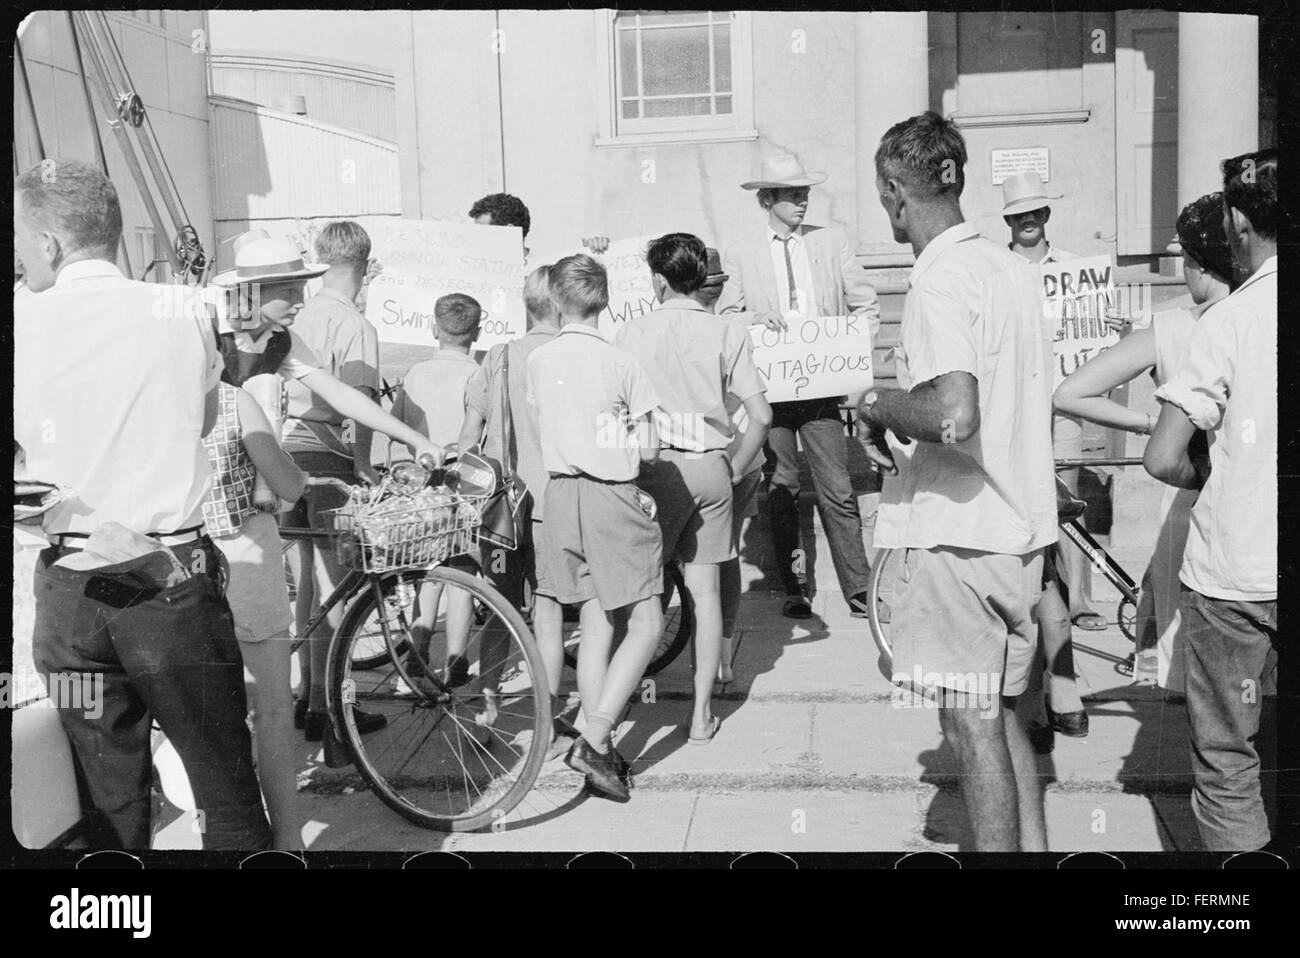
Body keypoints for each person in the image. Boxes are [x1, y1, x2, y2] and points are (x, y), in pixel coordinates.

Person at [14, 159, 272, 849]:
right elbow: (204, 414)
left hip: (69, 602)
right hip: (172, 584)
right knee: (225, 784)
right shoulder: (183, 309)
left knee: (104, 796)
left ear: (48, 244)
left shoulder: (20, 320)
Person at [859, 113, 1057, 851]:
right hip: (1014, 533)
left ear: (891, 192)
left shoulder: (939, 279)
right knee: (1002, 714)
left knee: (968, 722)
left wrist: (878, 403)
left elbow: (953, 412)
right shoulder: (1008, 267)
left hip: (959, 537)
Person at [209, 231, 445, 744]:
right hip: (207, 497)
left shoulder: (280, 340)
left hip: (257, 494)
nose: (299, 300)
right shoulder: (207, 332)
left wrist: (411, 436)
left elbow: (339, 393)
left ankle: (307, 709)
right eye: (290, 290)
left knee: (284, 602)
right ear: (255, 289)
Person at [1144, 149, 1278, 852]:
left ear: (1240, 226)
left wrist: (1223, 473)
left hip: (1237, 575)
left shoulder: (1228, 323)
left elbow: (1162, 455)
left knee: (1228, 758)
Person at [1056, 192, 1238, 693]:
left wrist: (1145, 422)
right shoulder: (1258, 318)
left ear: (1197, 267)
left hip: (1187, 494)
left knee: (1192, 661)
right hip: (1250, 499)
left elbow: (1071, 392)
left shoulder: (1175, 327)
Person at [614, 233, 771, 742]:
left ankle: (620, 697)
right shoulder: (727, 332)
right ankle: (701, 714)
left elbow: (616, 411)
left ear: (658, 280)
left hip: (655, 468)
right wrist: (734, 466)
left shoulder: (632, 332)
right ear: (700, 277)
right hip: (710, 465)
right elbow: (761, 415)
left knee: (639, 591)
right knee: (705, 594)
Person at [716, 154, 881, 620]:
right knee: (782, 485)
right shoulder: (742, 251)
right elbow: (726, 318)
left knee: (837, 485)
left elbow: (866, 307)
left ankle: (859, 587)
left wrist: (850, 356)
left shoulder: (832, 243)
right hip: (771, 390)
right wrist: (754, 318)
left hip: (822, 388)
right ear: (766, 200)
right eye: (792, 195)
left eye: (805, 193)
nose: (802, 201)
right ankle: (793, 586)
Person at [525, 253, 664, 802]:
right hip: (610, 494)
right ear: (604, 301)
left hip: (560, 494)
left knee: (595, 618)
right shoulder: (621, 361)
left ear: (556, 301)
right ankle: (597, 734)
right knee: (646, 622)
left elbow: (544, 426)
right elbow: (649, 446)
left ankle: (593, 736)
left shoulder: (540, 360)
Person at [458, 265, 571, 755]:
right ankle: (546, 721)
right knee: (547, 613)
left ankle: (486, 714)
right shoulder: (571, 356)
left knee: (502, 613)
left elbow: (468, 437)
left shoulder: (499, 356)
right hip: (554, 501)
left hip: (502, 508)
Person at [279, 221, 384, 738]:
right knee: (336, 588)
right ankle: (331, 705)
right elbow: (359, 403)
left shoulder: (298, 315)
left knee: (305, 582)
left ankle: (306, 692)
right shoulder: (355, 324)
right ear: (365, 268)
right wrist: (363, 460)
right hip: (325, 457)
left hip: (284, 452)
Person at [201, 381, 307, 849]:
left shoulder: (142, 390)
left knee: (197, 710)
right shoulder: (232, 398)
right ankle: (287, 838)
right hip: (245, 553)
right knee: (272, 708)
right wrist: (299, 480)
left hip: (176, 557)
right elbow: (286, 483)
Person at [1001, 171, 1104, 632]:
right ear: (1008, 220)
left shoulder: (1075, 269)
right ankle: (1022, 595)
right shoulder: (995, 271)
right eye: (1018, 213)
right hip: (1015, 400)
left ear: (1047, 214)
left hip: (1063, 399)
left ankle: (1078, 598)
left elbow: (1091, 335)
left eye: (1034, 211)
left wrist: (1107, 325)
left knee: (1070, 495)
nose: (1027, 219)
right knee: (1016, 496)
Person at [391, 293, 484, 688]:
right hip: (463, 484)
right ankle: (457, 657)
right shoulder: (479, 375)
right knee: (463, 573)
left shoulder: (415, 374)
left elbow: (397, 423)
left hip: (423, 484)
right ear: (477, 333)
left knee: (428, 571)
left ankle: (419, 641)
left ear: (433, 327)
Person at [699, 248, 761, 684]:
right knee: (726, 554)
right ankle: (722, 655)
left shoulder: (668, 328)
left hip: (696, 458)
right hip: (742, 456)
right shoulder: (739, 326)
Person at [470, 192, 531, 260]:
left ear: (509, 232)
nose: (478, 240)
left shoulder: (540, 267)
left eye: (484, 233)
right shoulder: (479, 266)